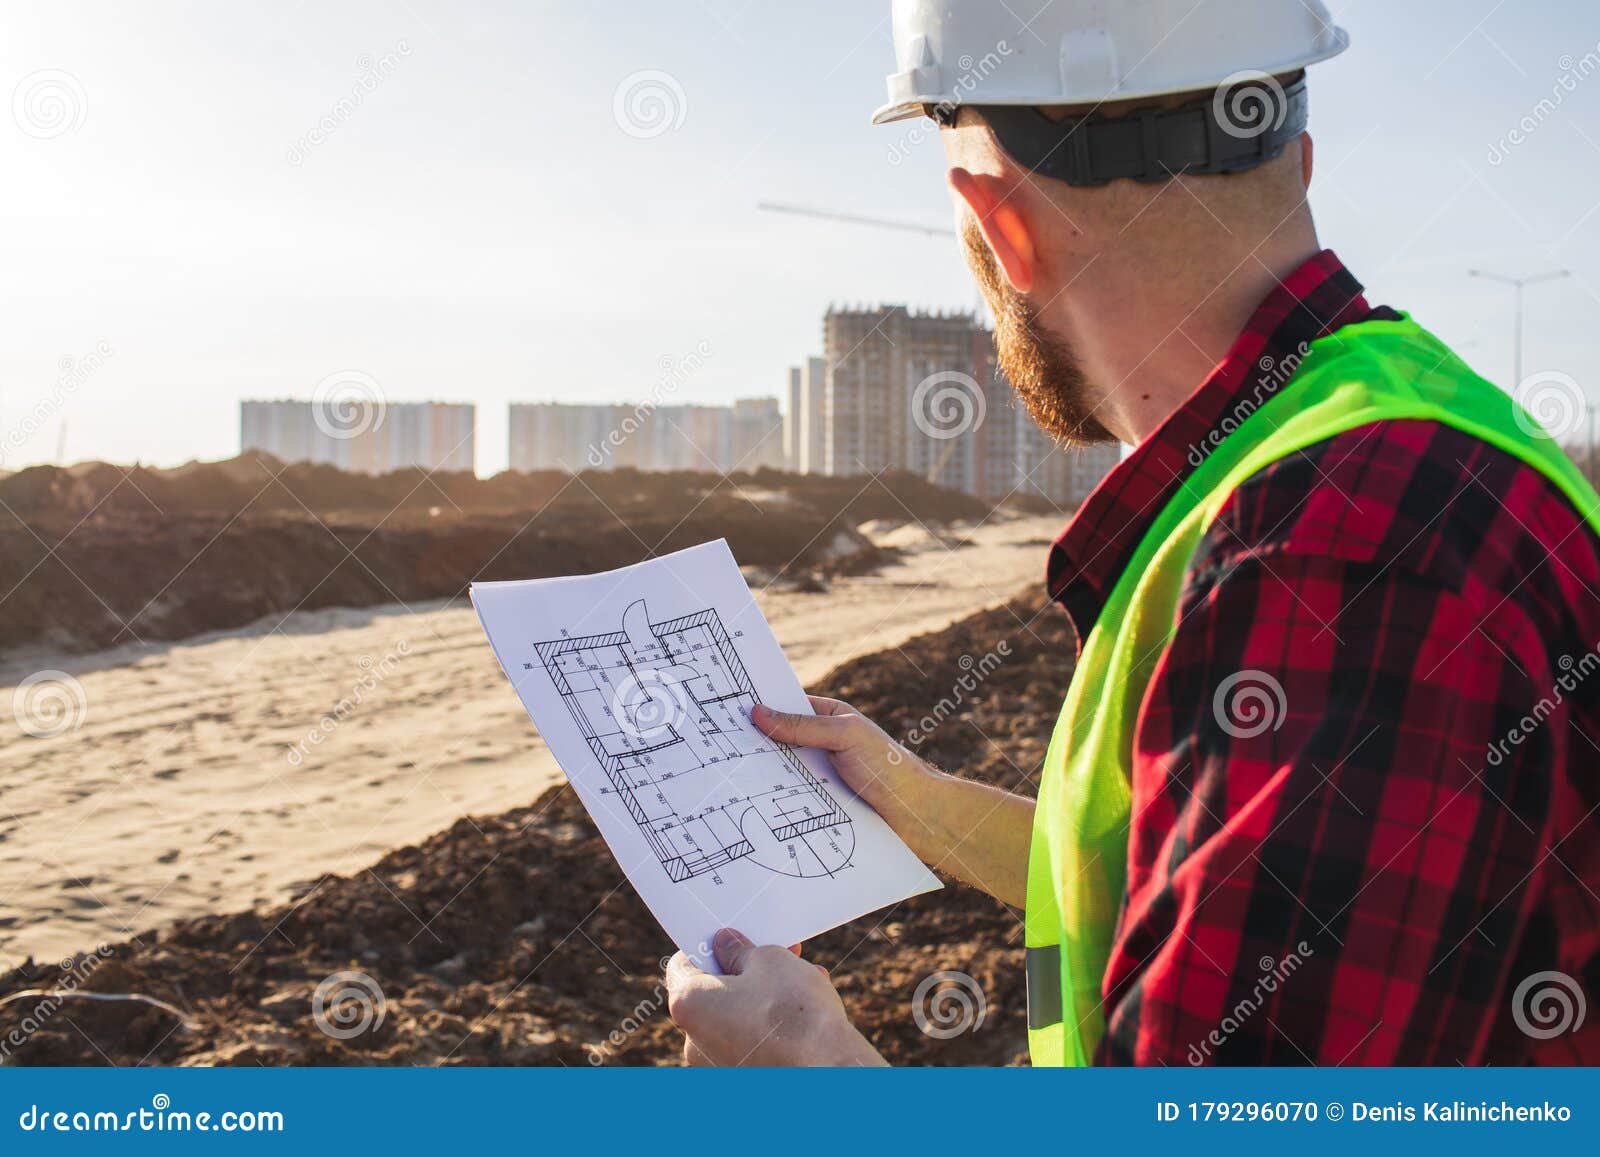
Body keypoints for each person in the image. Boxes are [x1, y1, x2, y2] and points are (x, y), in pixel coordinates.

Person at [665, 0, 1600, 1066]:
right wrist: (909, 794)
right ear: (1295, 162)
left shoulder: (1335, 548)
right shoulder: (1377, 429)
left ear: (1001, 228)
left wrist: (802, 1061)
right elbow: (1171, 877)